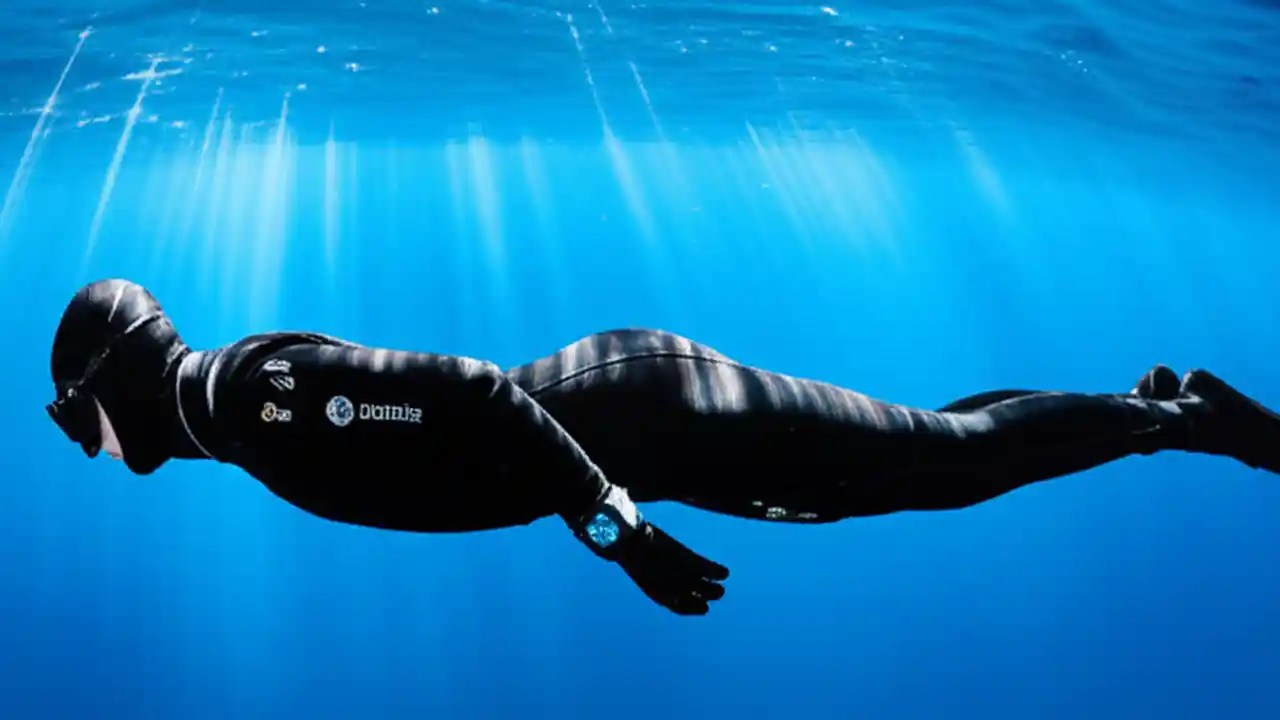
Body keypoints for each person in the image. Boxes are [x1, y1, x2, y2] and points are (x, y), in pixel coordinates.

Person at [46, 278, 1280, 616]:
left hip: (652, 414)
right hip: (647, 425)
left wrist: (611, 531)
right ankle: (1142, 407)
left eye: (75, 419)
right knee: (919, 465)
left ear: (117, 378)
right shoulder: (237, 406)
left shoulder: (261, 398)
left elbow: (473, 395)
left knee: (939, 460)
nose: (91, 449)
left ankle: (1183, 422)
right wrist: (612, 511)